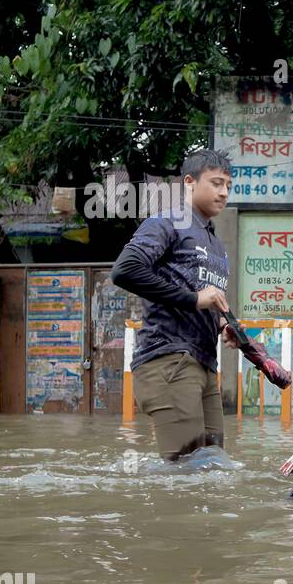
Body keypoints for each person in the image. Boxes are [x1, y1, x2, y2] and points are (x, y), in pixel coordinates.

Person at [111, 149, 240, 460]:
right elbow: (125, 270)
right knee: (183, 473)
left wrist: (226, 323)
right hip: (169, 359)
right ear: (190, 182)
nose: (223, 192)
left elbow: (206, 296)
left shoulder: (216, 244)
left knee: (212, 468)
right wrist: (194, 300)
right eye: (216, 183)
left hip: (205, 365)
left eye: (228, 186)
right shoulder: (167, 222)